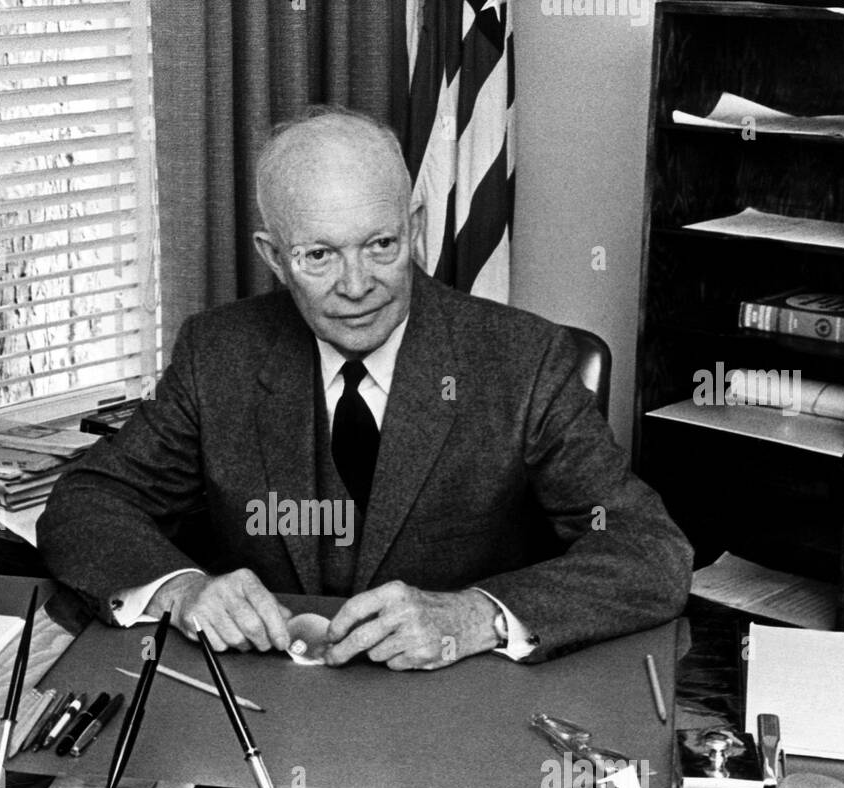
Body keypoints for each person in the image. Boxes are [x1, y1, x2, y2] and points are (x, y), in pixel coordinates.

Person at [38, 106, 691, 669]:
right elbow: (89, 502)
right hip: (266, 706)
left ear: (415, 224)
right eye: (319, 256)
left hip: (462, 707)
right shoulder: (218, 353)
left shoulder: (524, 361)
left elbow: (649, 551)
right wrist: (181, 590)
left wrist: (476, 616)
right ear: (272, 255)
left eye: (380, 245)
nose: (356, 286)